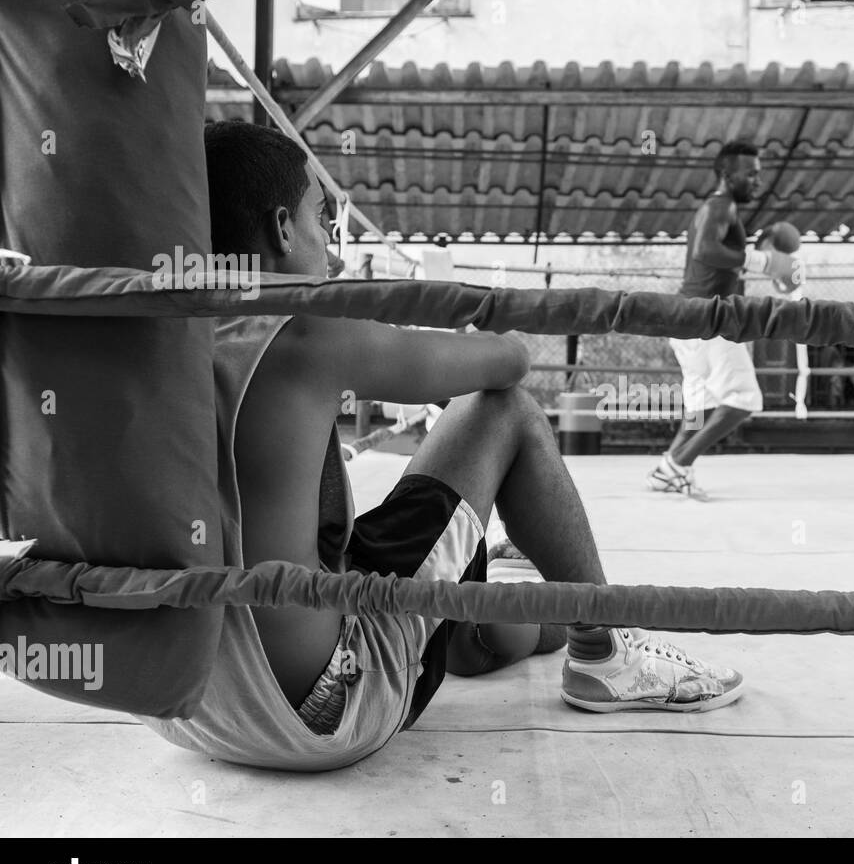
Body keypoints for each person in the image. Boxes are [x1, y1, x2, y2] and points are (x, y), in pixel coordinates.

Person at [139, 121, 743, 771]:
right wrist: (456, 307)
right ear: (283, 228)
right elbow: (505, 364)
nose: (336, 255)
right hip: (320, 709)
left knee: (485, 629)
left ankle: (497, 604)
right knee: (505, 413)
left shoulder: (143, 333)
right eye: (324, 221)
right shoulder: (307, 336)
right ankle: (604, 649)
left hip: (181, 705)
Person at [647, 140, 801, 500]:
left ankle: (664, 470)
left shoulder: (719, 209)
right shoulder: (721, 206)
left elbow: (718, 254)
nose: (757, 181)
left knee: (700, 408)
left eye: (759, 174)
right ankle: (675, 467)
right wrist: (764, 262)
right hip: (707, 320)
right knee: (743, 400)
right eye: (750, 174)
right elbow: (707, 251)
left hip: (687, 321)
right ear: (726, 175)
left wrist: (760, 255)